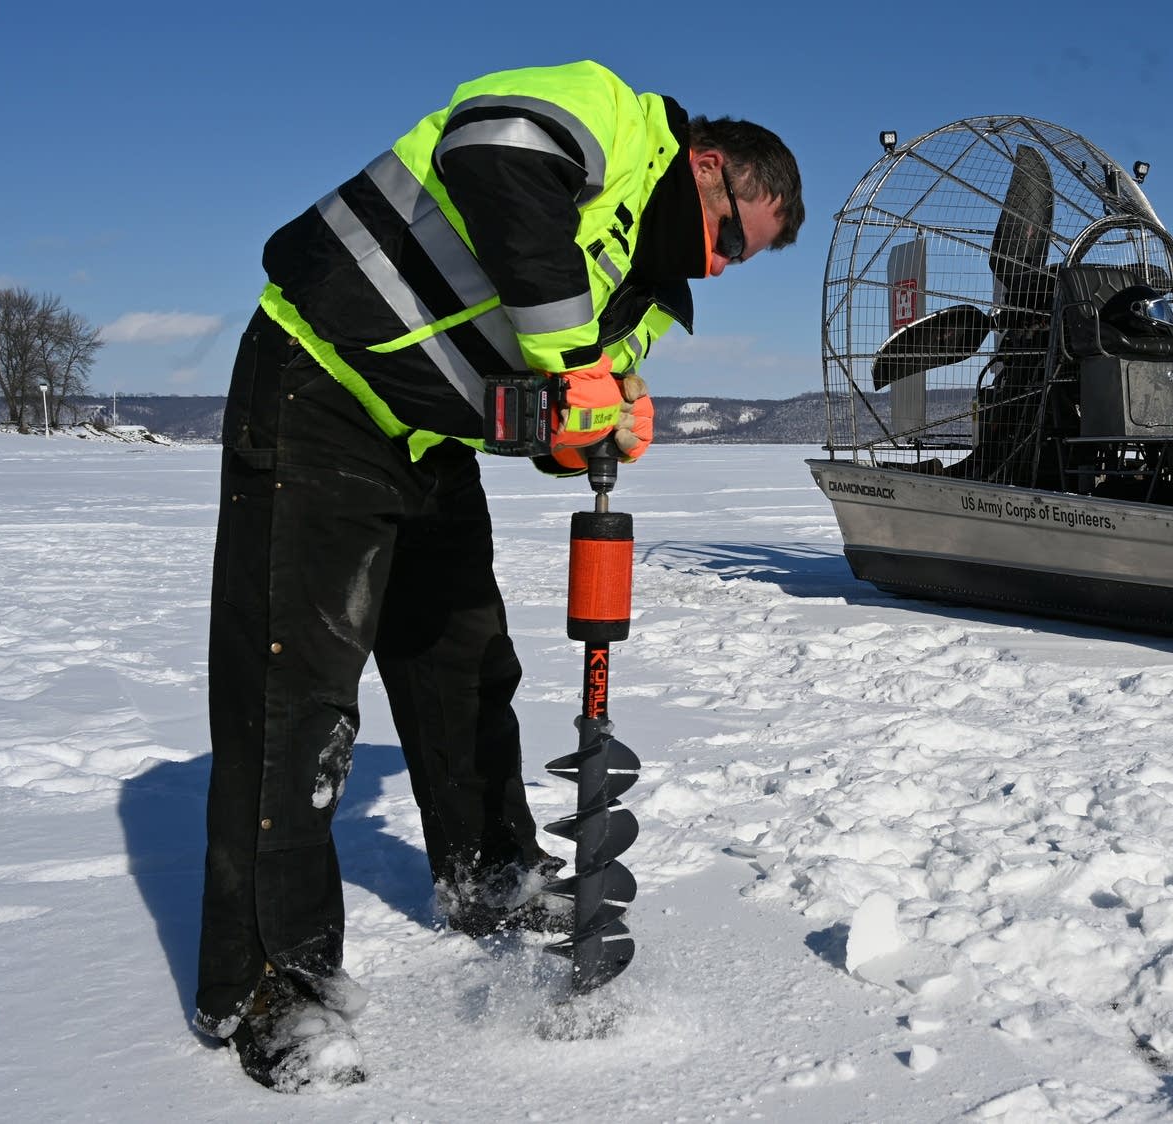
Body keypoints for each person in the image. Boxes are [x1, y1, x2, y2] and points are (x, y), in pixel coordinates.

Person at [195, 60, 802, 1092]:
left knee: (466, 667)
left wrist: (592, 430)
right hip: (321, 383)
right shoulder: (607, 117)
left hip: (430, 441)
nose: (722, 264)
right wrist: (574, 362)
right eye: (732, 234)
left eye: (742, 262)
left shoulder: (647, 300)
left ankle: (491, 876)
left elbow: (542, 408)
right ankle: (265, 983)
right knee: (293, 695)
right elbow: (492, 159)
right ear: (707, 164)